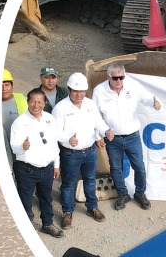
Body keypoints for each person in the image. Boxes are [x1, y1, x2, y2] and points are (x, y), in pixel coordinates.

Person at [92, 63, 160, 210]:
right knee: (116, 168)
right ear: (108, 76)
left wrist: (154, 102)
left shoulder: (132, 85)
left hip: (132, 136)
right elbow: (95, 116)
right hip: (113, 138)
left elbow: (146, 97)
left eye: (121, 77)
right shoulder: (99, 91)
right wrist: (103, 132)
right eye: (115, 78)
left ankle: (140, 194)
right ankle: (123, 194)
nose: (118, 81)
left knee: (139, 167)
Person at [53, 73, 112, 227]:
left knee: (90, 181)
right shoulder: (60, 108)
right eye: (75, 91)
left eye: (82, 91)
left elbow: (98, 122)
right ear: (69, 90)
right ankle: (67, 212)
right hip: (70, 154)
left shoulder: (90, 104)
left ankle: (92, 207)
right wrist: (67, 139)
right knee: (68, 184)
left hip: (90, 151)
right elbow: (55, 131)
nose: (79, 95)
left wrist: (105, 131)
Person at [10, 88, 63, 238]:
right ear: (28, 102)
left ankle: (47, 224)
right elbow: (14, 146)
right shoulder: (19, 122)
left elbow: (54, 144)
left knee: (46, 198)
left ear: (44, 103)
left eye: (40, 102)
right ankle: (25, 229)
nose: (36, 105)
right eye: (33, 101)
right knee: (25, 200)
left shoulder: (49, 119)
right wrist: (22, 146)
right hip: (26, 170)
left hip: (47, 168)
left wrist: (56, 164)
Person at [1, 69, 26, 169]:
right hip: (3, 155)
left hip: (22, 154)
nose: (4, 89)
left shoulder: (23, 100)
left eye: (6, 85)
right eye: (0, 85)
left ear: (12, 85)